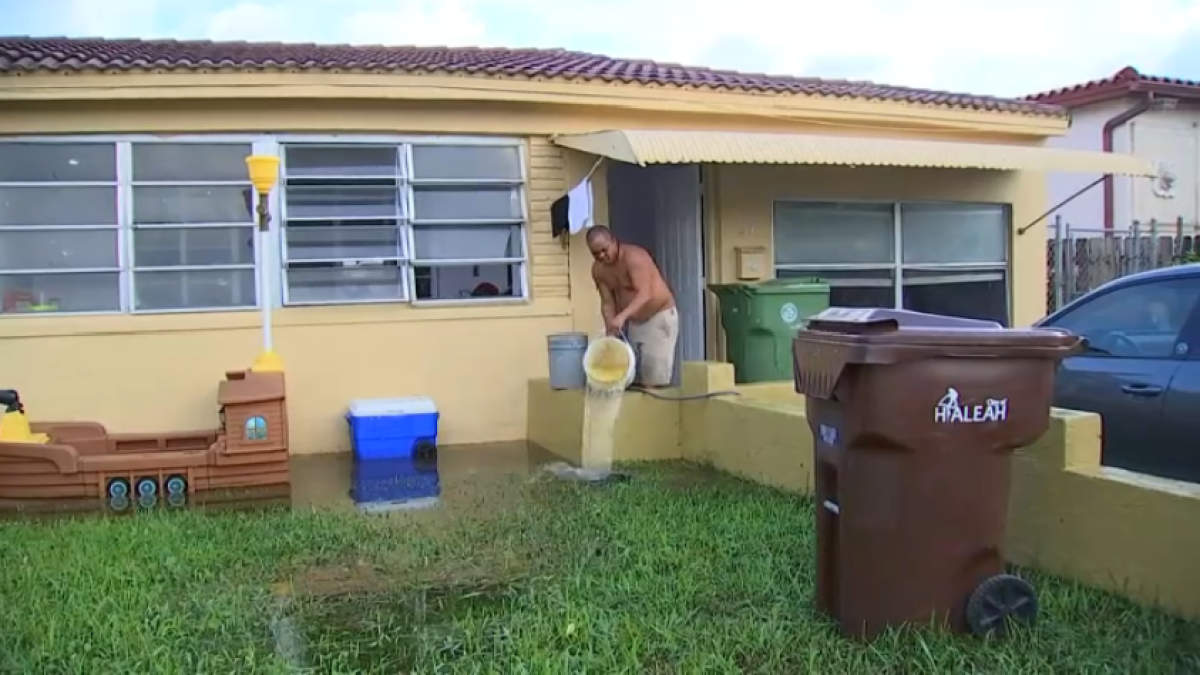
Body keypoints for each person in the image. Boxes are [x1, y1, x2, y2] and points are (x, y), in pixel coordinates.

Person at [587, 226, 679, 388]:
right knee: (633, 376)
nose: (602, 256)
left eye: (604, 250)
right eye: (595, 253)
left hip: (658, 316)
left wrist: (622, 317)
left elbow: (645, 294)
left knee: (654, 378)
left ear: (614, 242)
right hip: (636, 321)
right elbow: (607, 301)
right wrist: (611, 326)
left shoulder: (634, 257)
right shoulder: (598, 270)